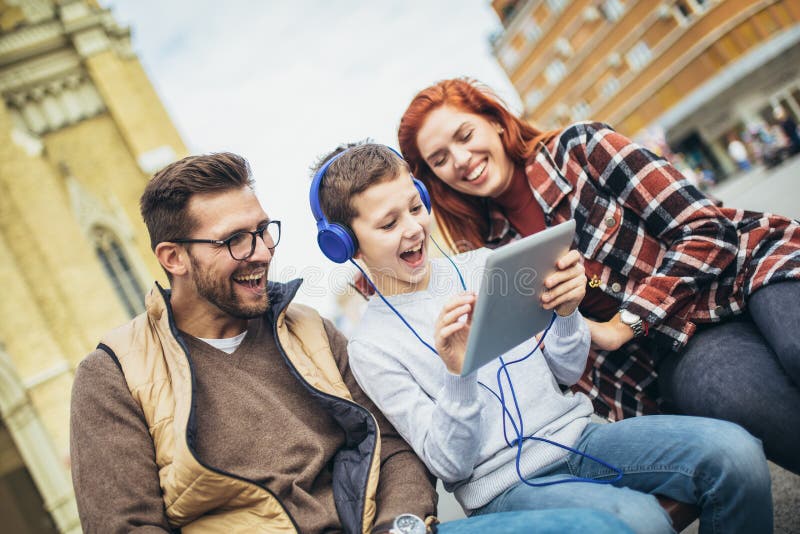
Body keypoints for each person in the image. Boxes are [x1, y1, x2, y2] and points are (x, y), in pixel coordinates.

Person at [69, 152, 631, 534]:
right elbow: (126, 525)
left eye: (264, 231)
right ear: (174, 259)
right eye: (235, 241)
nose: (263, 252)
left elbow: (392, 446)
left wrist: (404, 525)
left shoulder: (309, 329)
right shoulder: (114, 375)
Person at [310, 142, 773, 533]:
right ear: (343, 244)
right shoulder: (371, 348)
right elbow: (450, 466)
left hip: (581, 438)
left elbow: (566, 369)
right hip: (503, 488)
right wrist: (458, 373)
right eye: (389, 224)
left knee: (738, 455)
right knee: (639, 520)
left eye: (415, 207)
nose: (413, 228)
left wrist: (567, 313)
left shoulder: (484, 266)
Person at [396, 78, 800, 476]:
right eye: (440, 159)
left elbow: (707, 229)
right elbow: (562, 360)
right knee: (735, 393)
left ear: (496, 122)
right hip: (673, 341)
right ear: (433, 179)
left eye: (465, 135)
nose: (461, 159)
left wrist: (619, 326)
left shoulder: (581, 148)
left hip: (748, 268)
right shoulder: (492, 254)